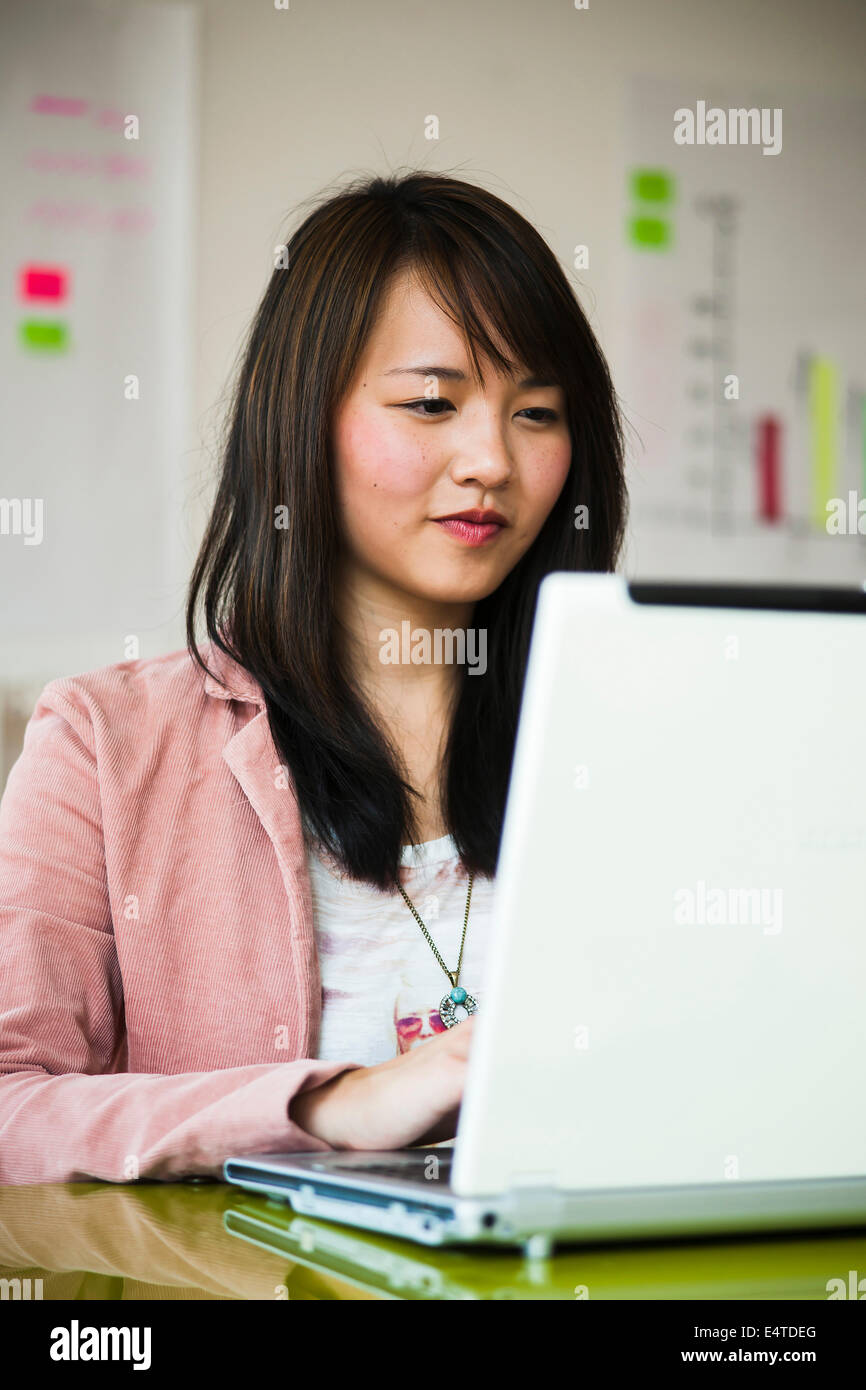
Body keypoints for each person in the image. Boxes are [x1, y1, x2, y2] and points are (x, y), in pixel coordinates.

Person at [0, 170, 627, 1183]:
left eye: (537, 413)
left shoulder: (632, 737)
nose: (491, 461)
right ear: (301, 415)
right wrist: (329, 1105)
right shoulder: (104, 743)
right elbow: (11, 1106)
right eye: (431, 402)